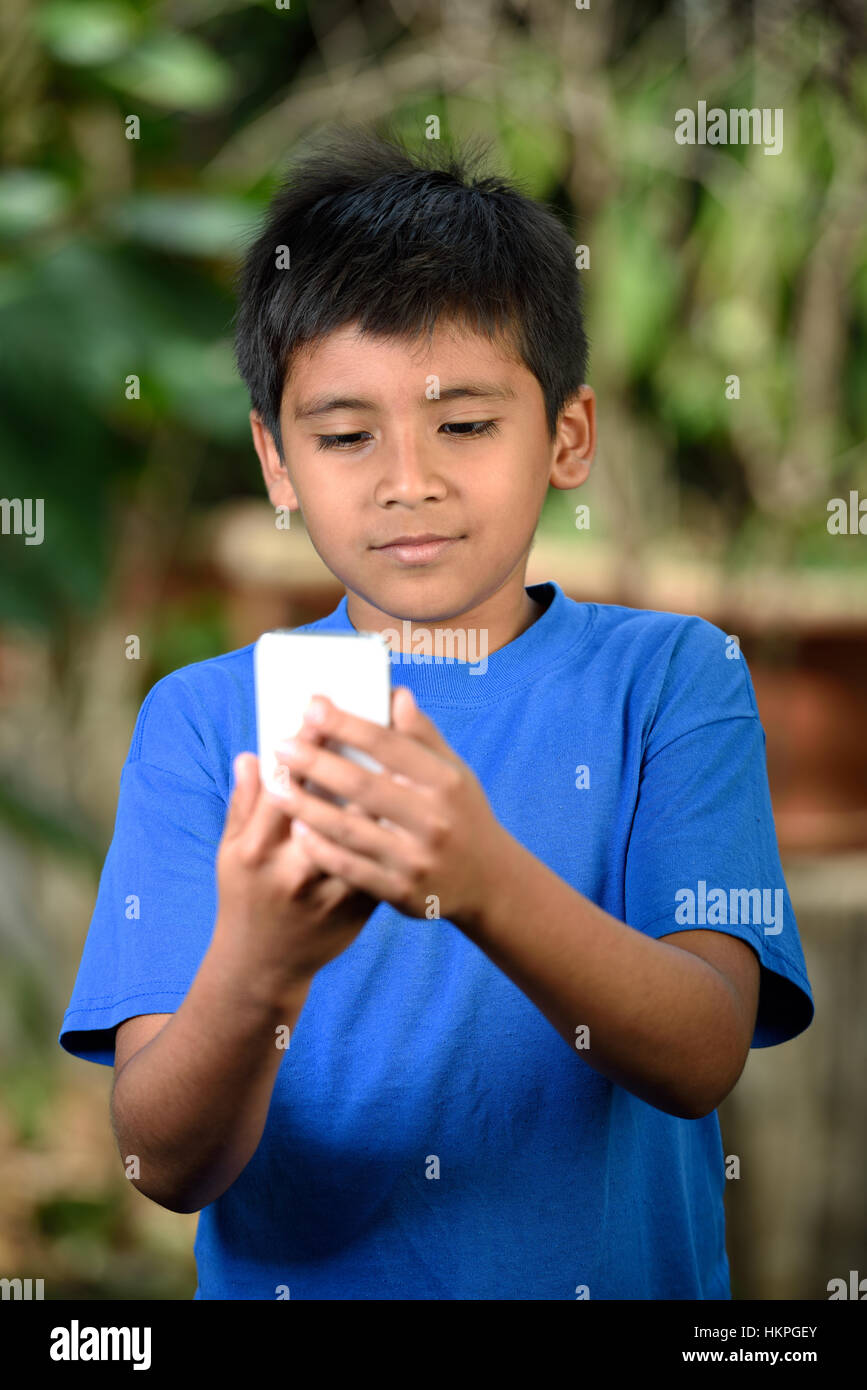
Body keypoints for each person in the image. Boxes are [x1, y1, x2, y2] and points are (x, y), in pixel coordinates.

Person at [58, 125, 814, 1300]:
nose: (409, 477)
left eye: (464, 424)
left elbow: (704, 1050)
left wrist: (483, 881)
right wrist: (258, 965)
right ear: (275, 463)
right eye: (345, 435)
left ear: (566, 435)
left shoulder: (670, 677)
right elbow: (162, 1158)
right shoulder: (208, 720)